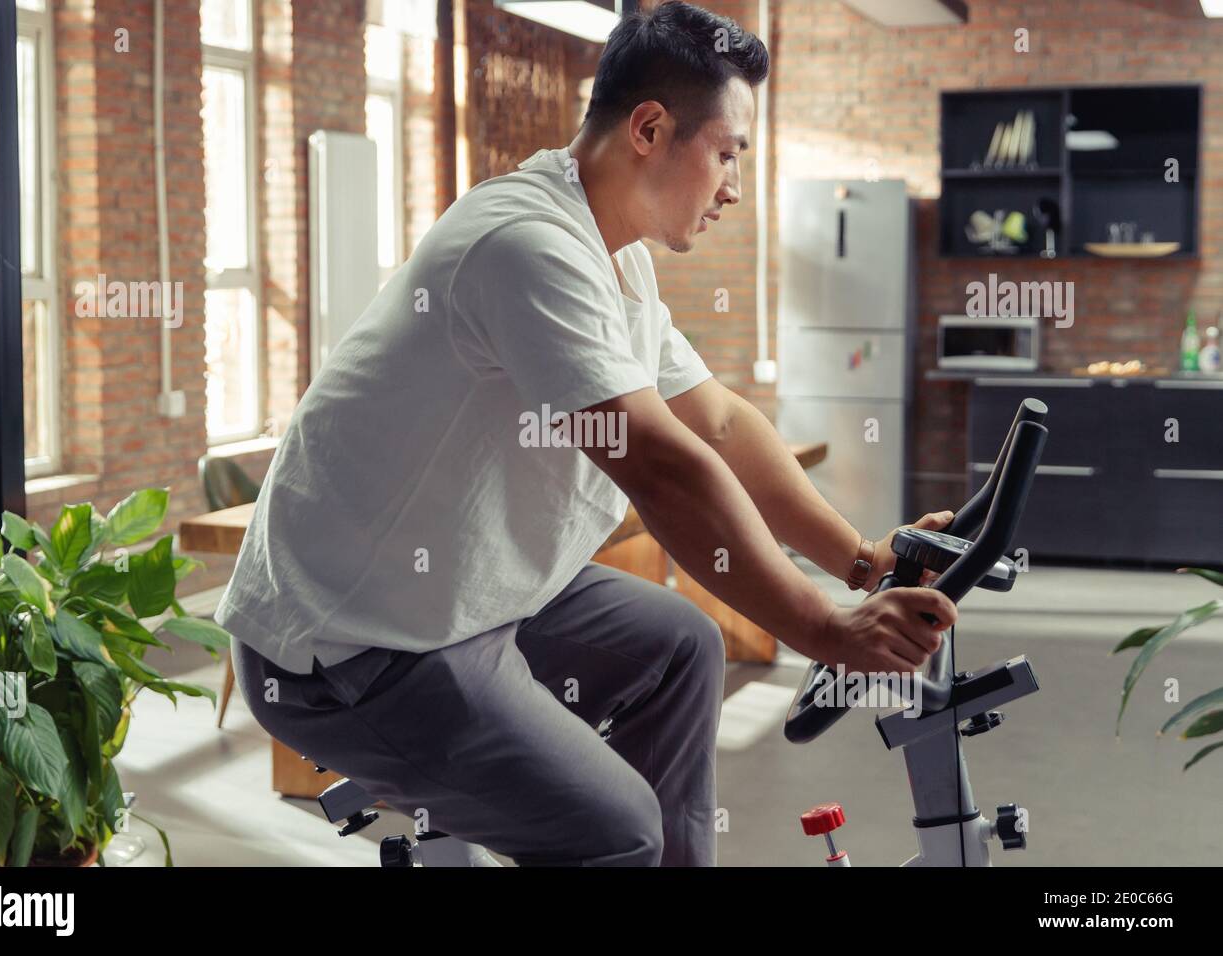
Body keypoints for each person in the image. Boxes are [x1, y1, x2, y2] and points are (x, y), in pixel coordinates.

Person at [216, 0, 957, 867]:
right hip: (353, 650)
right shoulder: (527, 246)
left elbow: (713, 420)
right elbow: (666, 468)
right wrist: (826, 630)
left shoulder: (614, 255)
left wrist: (860, 561)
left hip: (466, 600)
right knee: (614, 831)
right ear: (649, 128)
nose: (732, 184)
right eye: (726, 153)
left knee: (682, 644)